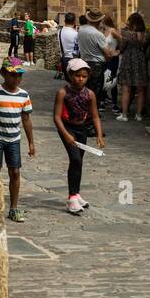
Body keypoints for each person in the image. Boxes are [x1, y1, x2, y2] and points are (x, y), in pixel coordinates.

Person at [0, 59, 35, 223]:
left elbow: (26, 119)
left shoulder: (24, 95)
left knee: (15, 172)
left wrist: (31, 142)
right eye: (12, 75)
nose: (16, 79)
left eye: (19, 75)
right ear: (4, 74)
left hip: (14, 138)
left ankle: (14, 207)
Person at [53, 58, 105, 215]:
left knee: (79, 161)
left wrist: (99, 134)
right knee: (75, 159)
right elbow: (56, 117)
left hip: (81, 129)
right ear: (69, 75)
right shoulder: (63, 93)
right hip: (67, 127)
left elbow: (95, 116)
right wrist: (66, 135)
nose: (80, 79)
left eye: (84, 76)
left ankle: (76, 193)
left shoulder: (90, 94)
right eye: (77, 75)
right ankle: (72, 197)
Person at [116, 12, 149, 121]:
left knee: (127, 88)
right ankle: (138, 115)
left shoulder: (127, 34)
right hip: (140, 60)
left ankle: (124, 114)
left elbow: (121, 47)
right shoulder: (145, 35)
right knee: (140, 89)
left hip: (129, 60)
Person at [77, 10, 114, 105]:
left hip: (84, 62)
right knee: (95, 92)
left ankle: (84, 112)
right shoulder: (98, 34)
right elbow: (108, 53)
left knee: (85, 90)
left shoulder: (81, 30)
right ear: (99, 21)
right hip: (97, 65)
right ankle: (92, 114)